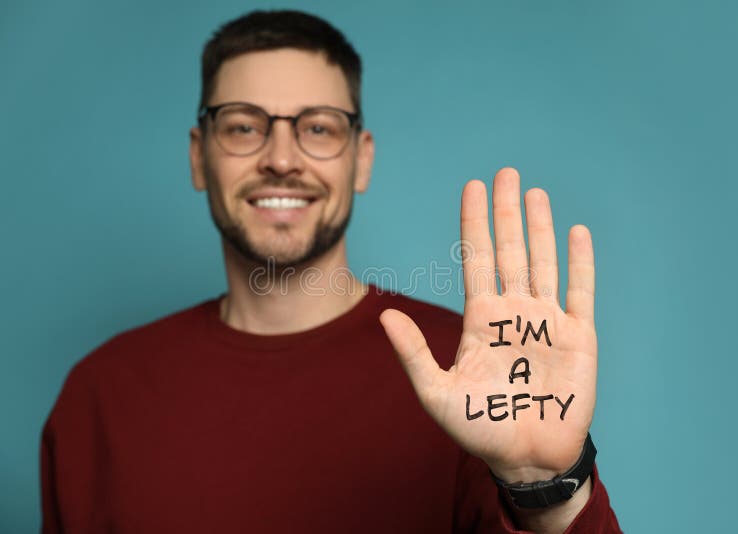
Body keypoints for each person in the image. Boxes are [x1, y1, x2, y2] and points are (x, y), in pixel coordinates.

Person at [40, 9, 621, 534]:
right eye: (243, 125)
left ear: (360, 158)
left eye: (318, 127)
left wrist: (546, 488)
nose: (282, 158)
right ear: (199, 155)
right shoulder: (99, 397)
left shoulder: (473, 372)